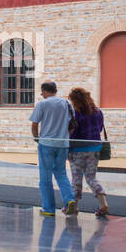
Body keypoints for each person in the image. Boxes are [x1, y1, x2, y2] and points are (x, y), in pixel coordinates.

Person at [29, 80, 77, 217]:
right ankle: (69, 200)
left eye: (42, 92)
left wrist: (37, 138)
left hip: (47, 144)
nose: (42, 94)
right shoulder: (67, 103)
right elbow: (72, 124)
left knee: (45, 177)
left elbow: (34, 124)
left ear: (44, 90)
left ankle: (48, 209)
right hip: (63, 144)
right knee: (61, 173)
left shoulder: (43, 104)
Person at [67, 86, 109, 216]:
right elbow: (100, 128)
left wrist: (68, 150)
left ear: (75, 101)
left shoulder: (75, 113)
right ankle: (103, 204)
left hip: (77, 150)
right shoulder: (97, 112)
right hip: (95, 148)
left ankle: (75, 207)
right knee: (91, 177)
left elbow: (72, 133)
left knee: (76, 178)